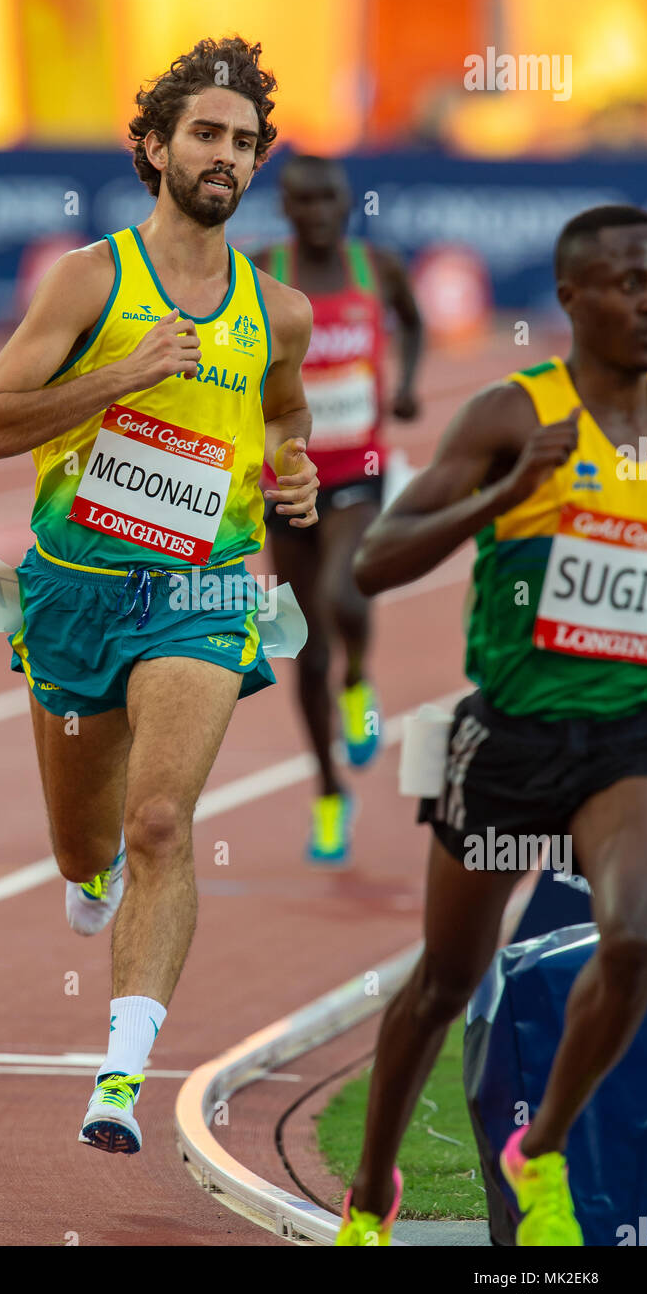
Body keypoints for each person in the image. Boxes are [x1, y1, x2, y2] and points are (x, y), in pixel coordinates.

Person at [0, 36, 318, 1155]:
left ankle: (118, 1072)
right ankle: (88, 870)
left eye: (243, 141)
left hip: (203, 587)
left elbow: (285, 416)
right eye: (204, 134)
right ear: (156, 145)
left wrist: (296, 466)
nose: (225, 155)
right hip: (72, 589)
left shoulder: (281, 311)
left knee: (162, 816)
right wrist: (121, 372)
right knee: (87, 846)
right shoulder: (90, 280)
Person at [338, 205, 647, 1246]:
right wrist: (507, 494)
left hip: (624, 743)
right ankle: (372, 1189)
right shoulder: (511, 415)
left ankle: (543, 1147)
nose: (645, 300)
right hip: (508, 742)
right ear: (569, 296)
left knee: (637, 934)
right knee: (441, 986)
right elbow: (375, 559)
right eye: (624, 282)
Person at [253, 156, 422, 865]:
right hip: (285, 477)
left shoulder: (375, 267)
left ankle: (358, 680)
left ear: (347, 202)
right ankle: (328, 790)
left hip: (358, 469)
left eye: (330, 198)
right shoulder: (263, 267)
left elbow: (412, 323)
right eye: (304, 200)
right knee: (300, 645)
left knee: (342, 592)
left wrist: (407, 383)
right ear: (287, 206)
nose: (319, 210)